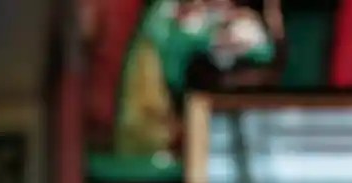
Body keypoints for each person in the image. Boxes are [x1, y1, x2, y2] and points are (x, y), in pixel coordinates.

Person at [115, 0, 285, 158]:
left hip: (231, 128)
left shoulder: (239, 20)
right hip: (156, 131)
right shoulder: (166, 14)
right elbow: (175, 55)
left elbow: (265, 52)